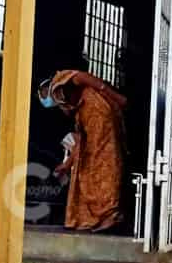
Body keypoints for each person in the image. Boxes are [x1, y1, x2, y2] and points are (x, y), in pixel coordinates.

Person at [38, 69, 128, 232]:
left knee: (106, 169)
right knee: (86, 171)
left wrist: (111, 94)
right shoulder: (74, 108)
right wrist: (67, 164)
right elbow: (81, 141)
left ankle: (110, 214)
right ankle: (99, 217)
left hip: (101, 119)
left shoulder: (59, 84)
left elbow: (81, 77)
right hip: (94, 127)